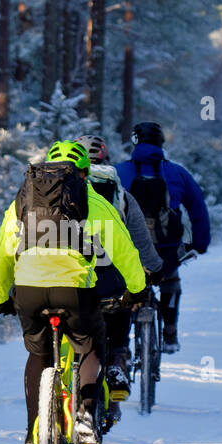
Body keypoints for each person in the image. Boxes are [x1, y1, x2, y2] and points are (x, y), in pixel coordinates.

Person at [0, 140, 146, 444]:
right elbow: (124, 250)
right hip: (73, 291)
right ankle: (85, 418)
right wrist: (136, 290)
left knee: (38, 354)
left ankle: (33, 436)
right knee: (91, 345)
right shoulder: (91, 200)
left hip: (29, 289)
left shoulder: (23, 200)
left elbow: (4, 251)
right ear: (84, 173)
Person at [75, 134, 163, 399]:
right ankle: (117, 360)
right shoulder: (119, 193)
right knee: (122, 300)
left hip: (62, 274)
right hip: (106, 273)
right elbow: (138, 238)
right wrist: (153, 269)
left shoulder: (52, 190)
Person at [115, 122, 210, 354]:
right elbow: (197, 207)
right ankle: (169, 331)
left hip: (130, 249)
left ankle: (120, 348)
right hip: (166, 249)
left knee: (121, 289)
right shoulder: (177, 172)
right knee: (170, 279)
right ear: (161, 144)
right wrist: (200, 243)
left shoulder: (118, 171)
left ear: (134, 143)